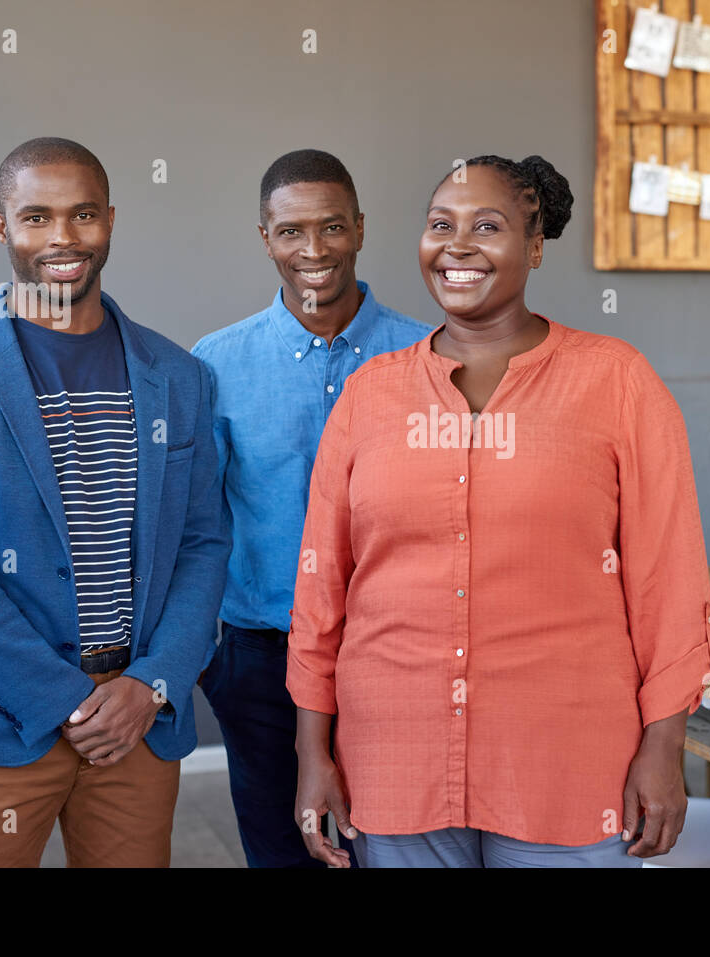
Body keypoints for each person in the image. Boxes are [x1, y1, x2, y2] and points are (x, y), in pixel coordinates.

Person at [287, 154, 710, 867]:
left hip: (569, 767)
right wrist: (313, 750)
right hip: (395, 761)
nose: (456, 245)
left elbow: (669, 585)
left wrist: (664, 744)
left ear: (535, 245)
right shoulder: (370, 396)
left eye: (486, 226)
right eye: (440, 226)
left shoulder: (617, 382)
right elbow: (321, 592)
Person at [0, 137, 230, 867]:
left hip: (141, 721)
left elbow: (204, 546)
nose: (63, 238)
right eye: (36, 217)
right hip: (4, 717)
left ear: (111, 218)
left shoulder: (179, 374)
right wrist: (66, 702)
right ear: (1, 226)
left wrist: (150, 684)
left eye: (82, 215)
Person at [192, 149, 430, 867]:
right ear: (266, 238)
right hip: (259, 656)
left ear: (359, 228)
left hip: (393, 653)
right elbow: (198, 525)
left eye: (331, 227)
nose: (314, 250)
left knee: (395, 847)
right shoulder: (216, 363)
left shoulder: (428, 353)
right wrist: (210, 658)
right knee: (283, 850)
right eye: (291, 231)